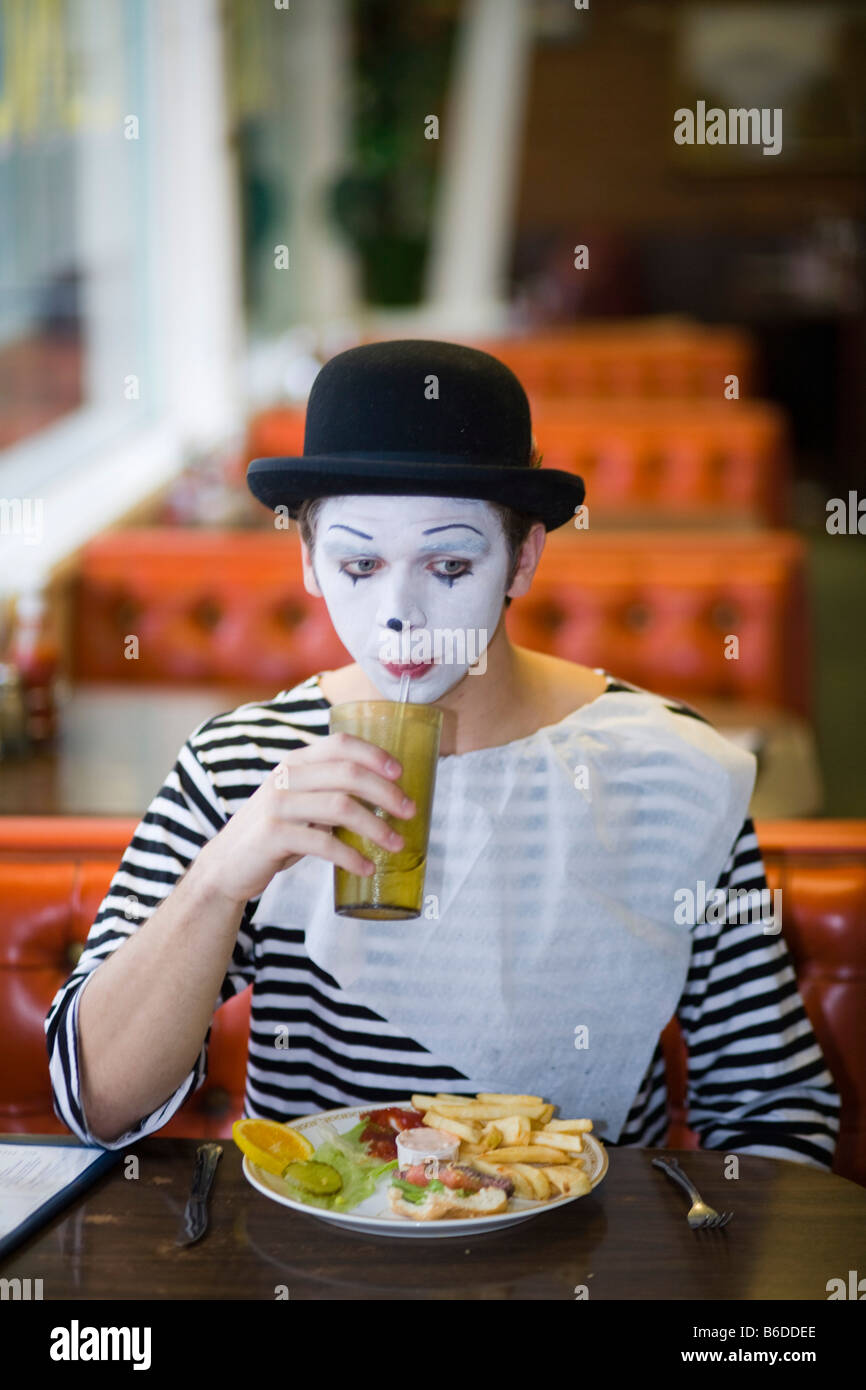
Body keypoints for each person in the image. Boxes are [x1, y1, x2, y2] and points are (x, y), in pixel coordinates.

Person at [46, 340, 840, 1169]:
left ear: (523, 559)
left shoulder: (672, 773)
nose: (400, 615)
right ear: (309, 563)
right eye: (360, 563)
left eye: (450, 563)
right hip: (313, 1264)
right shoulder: (240, 761)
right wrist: (221, 876)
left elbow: (772, 1106)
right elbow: (95, 1102)